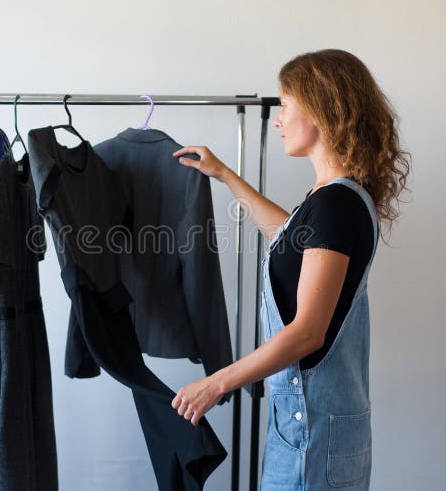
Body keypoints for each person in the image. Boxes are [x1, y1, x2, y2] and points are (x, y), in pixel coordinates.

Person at [170, 49, 411, 490]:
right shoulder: (333, 200)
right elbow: (290, 238)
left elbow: (306, 333)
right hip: (315, 432)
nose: (278, 119)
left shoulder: (335, 204)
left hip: (313, 438)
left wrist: (216, 384)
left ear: (321, 109)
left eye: (284, 105)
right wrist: (224, 174)